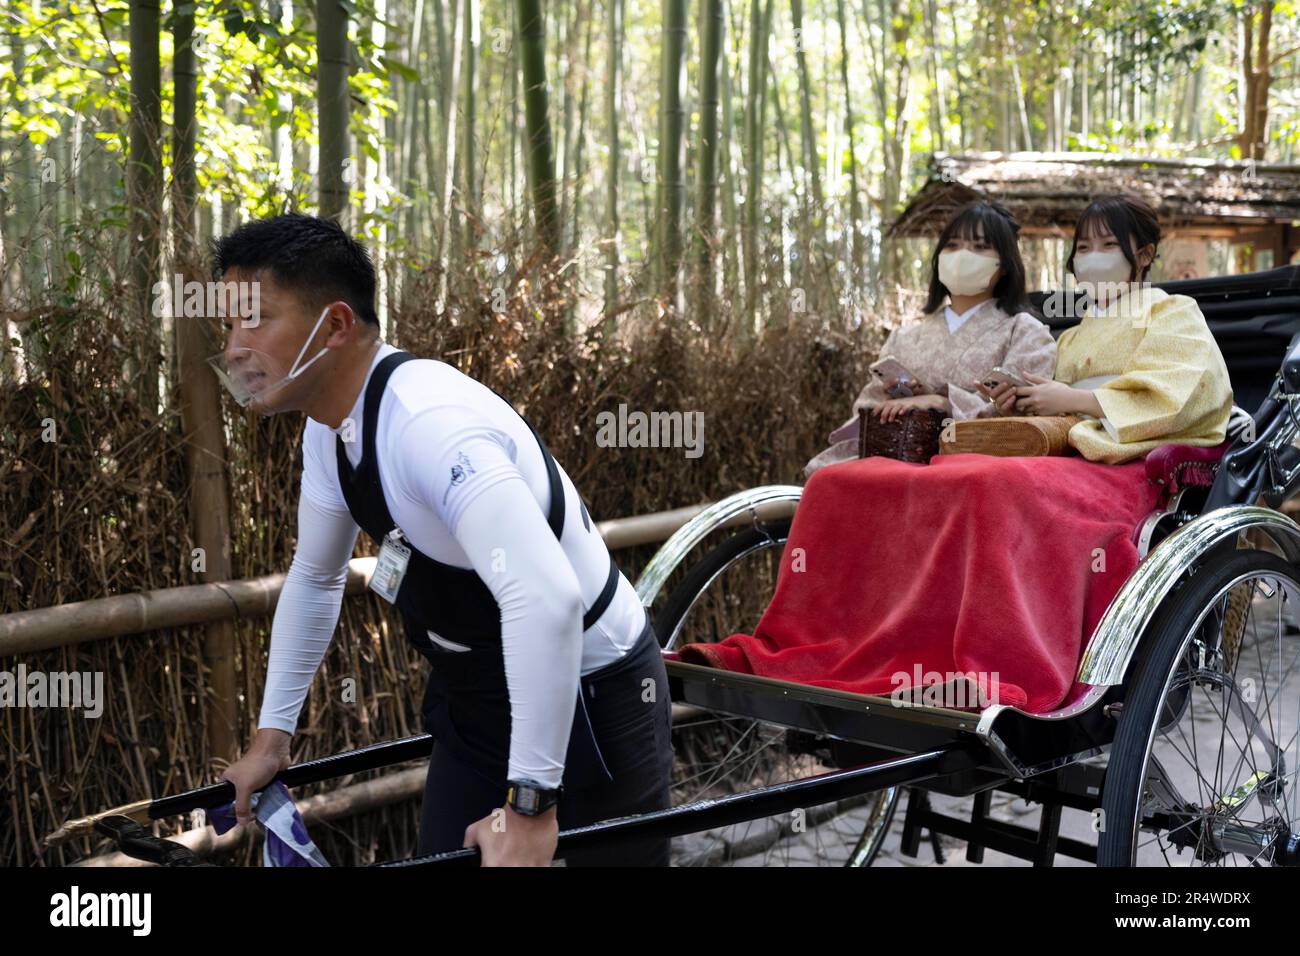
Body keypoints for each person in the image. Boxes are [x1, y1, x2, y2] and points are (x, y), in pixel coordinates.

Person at [213, 214, 673, 867]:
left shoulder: (428, 426)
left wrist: (530, 809)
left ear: (336, 326)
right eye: (228, 325)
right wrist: (271, 738)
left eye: (254, 320)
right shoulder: (329, 431)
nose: (234, 348)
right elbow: (316, 578)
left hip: (593, 693)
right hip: (477, 699)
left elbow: (547, 599)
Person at [804, 201, 1055, 477]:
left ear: (1005, 264)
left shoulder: (1026, 332)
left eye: (980, 247)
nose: (962, 255)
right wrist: (897, 402)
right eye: (952, 245)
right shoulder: (904, 336)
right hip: (894, 456)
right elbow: (866, 407)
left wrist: (944, 404)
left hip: (977, 465)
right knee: (826, 478)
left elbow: (1031, 415)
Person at [986, 193, 1233, 463]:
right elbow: (1058, 415)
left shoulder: (1172, 312)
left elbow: (1183, 396)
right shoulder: (1069, 339)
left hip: (1134, 458)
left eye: (1108, 244)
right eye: (1083, 248)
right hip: (1071, 451)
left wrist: (1074, 400)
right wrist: (1023, 403)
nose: (1093, 258)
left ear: (1145, 255)